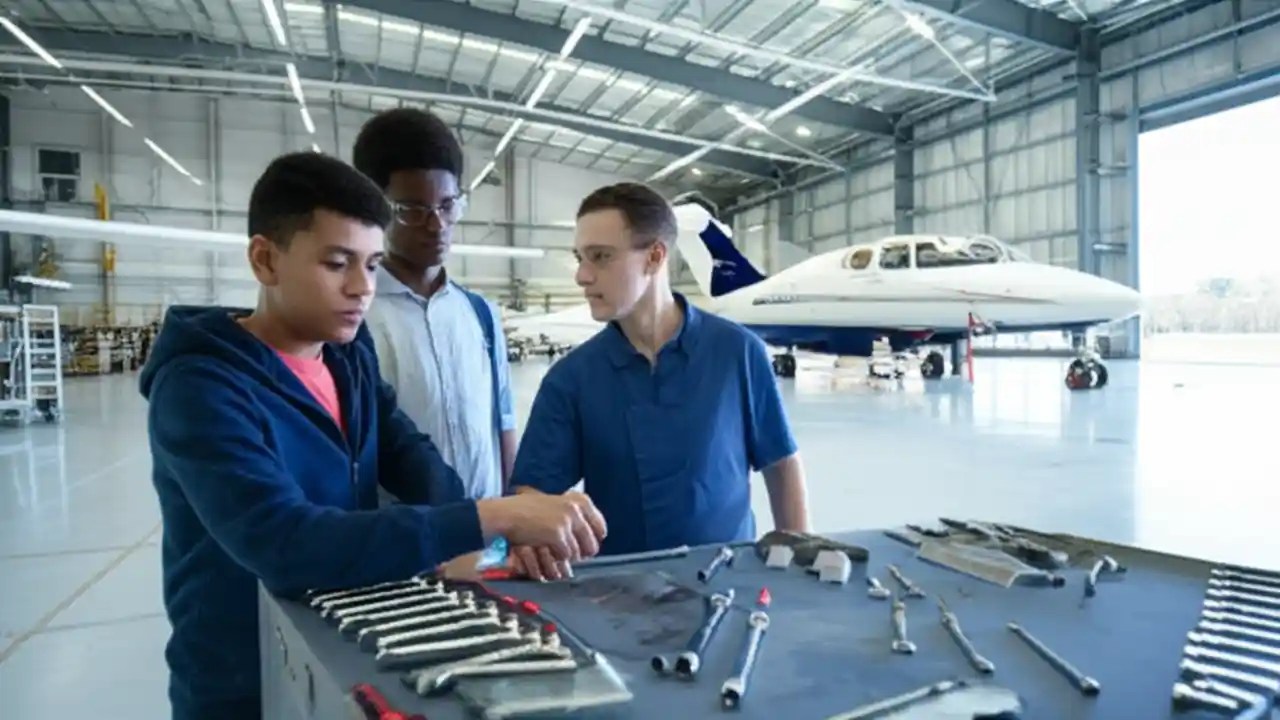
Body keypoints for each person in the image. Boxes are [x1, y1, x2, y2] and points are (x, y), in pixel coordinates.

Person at [139, 151, 606, 720]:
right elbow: (284, 544)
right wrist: (493, 517)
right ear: (265, 260)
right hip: (245, 677)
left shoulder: (346, 354)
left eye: (371, 264)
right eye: (338, 264)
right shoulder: (201, 388)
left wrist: (484, 537)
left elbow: (409, 453)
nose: (362, 288)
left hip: (345, 648)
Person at [509, 182, 810, 581]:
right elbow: (530, 493)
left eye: (600, 257)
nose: (582, 275)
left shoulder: (736, 352)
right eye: (580, 258)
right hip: (618, 590)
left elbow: (781, 462)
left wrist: (798, 559)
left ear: (654, 257)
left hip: (728, 578)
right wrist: (539, 525)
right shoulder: (572, 379)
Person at [353, 108, 515, 500]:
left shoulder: (481, 316)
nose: (437, 225)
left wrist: (514, 522)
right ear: (377, 208)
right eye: (412, 211)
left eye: (447, 205)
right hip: (403, 549)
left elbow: (503, 426)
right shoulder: (356, 318)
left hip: (487, 541)